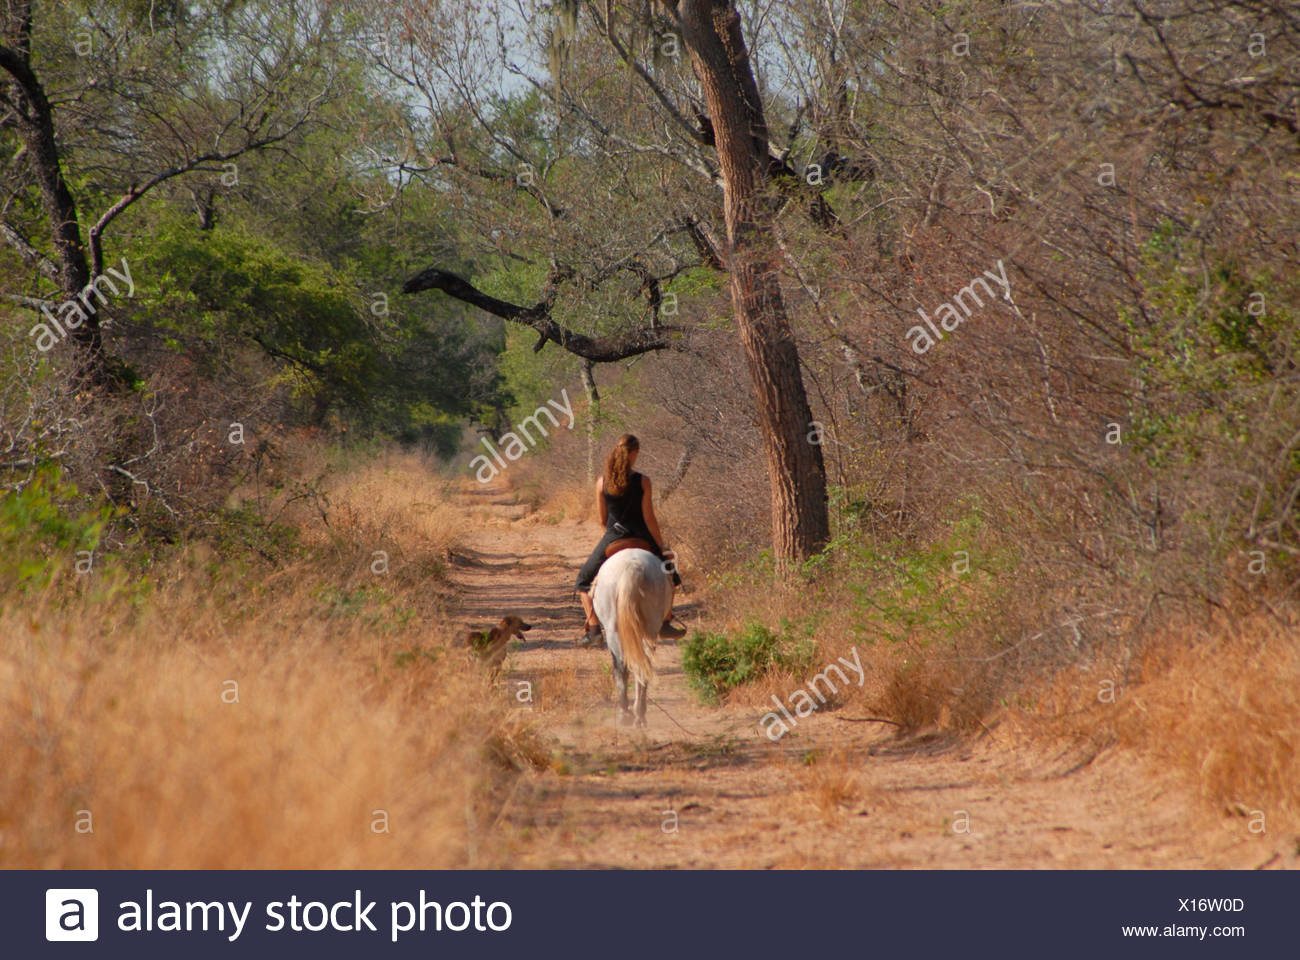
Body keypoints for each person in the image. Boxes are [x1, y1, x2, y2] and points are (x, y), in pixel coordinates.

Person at [576, 433, 685, 642]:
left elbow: (602, 519)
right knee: (671, 573)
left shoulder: (602, 482)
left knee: (582, 581)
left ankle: (594, 630)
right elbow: (649, 517)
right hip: (641, 536)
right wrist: (661, 545)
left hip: (613, 536)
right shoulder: (643, 481)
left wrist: (611, 537)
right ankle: (665, 622)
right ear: (634, 453)